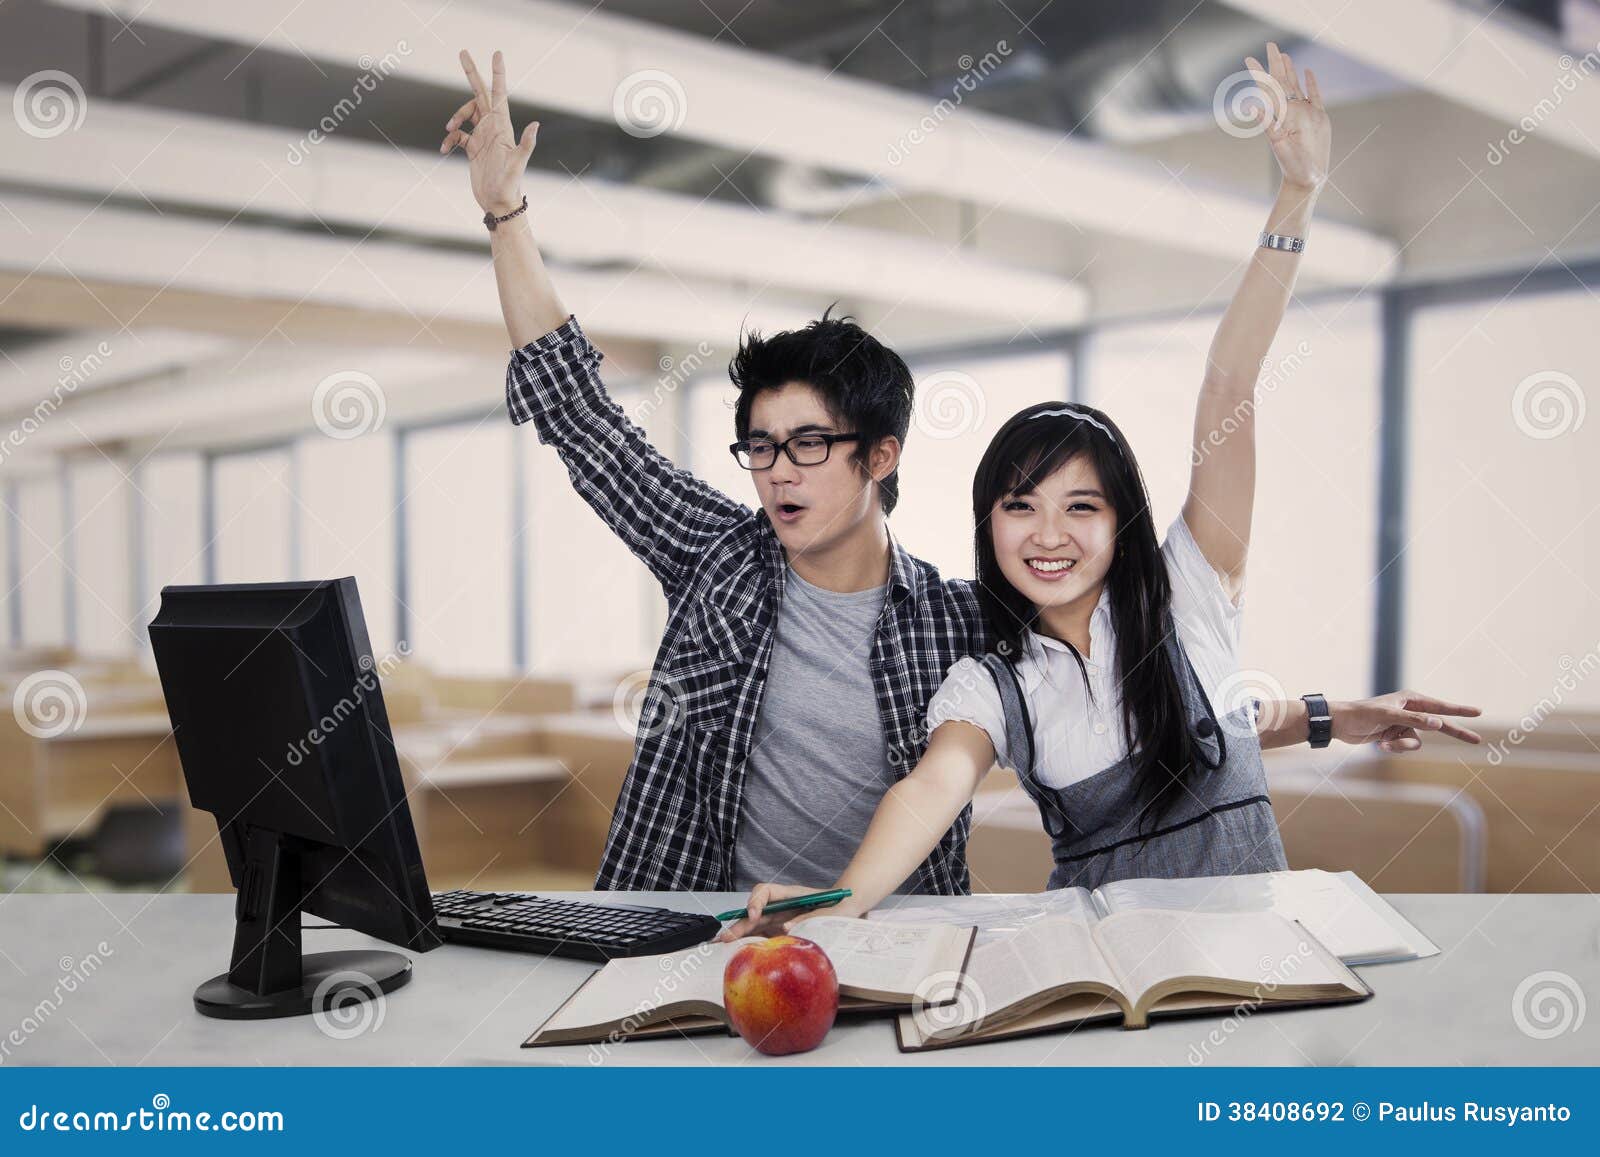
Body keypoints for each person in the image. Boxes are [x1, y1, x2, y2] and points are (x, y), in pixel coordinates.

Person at [442, 45, 1479, 897]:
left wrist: (1329, 713)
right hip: (687, 910)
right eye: (759, 445)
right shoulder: (718, 558)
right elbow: (581, 416)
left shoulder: (960, 626)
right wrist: (505, 217)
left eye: (809, 443)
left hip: (896, 947)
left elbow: (1150, 706)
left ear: (880, 454)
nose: (776, 472)